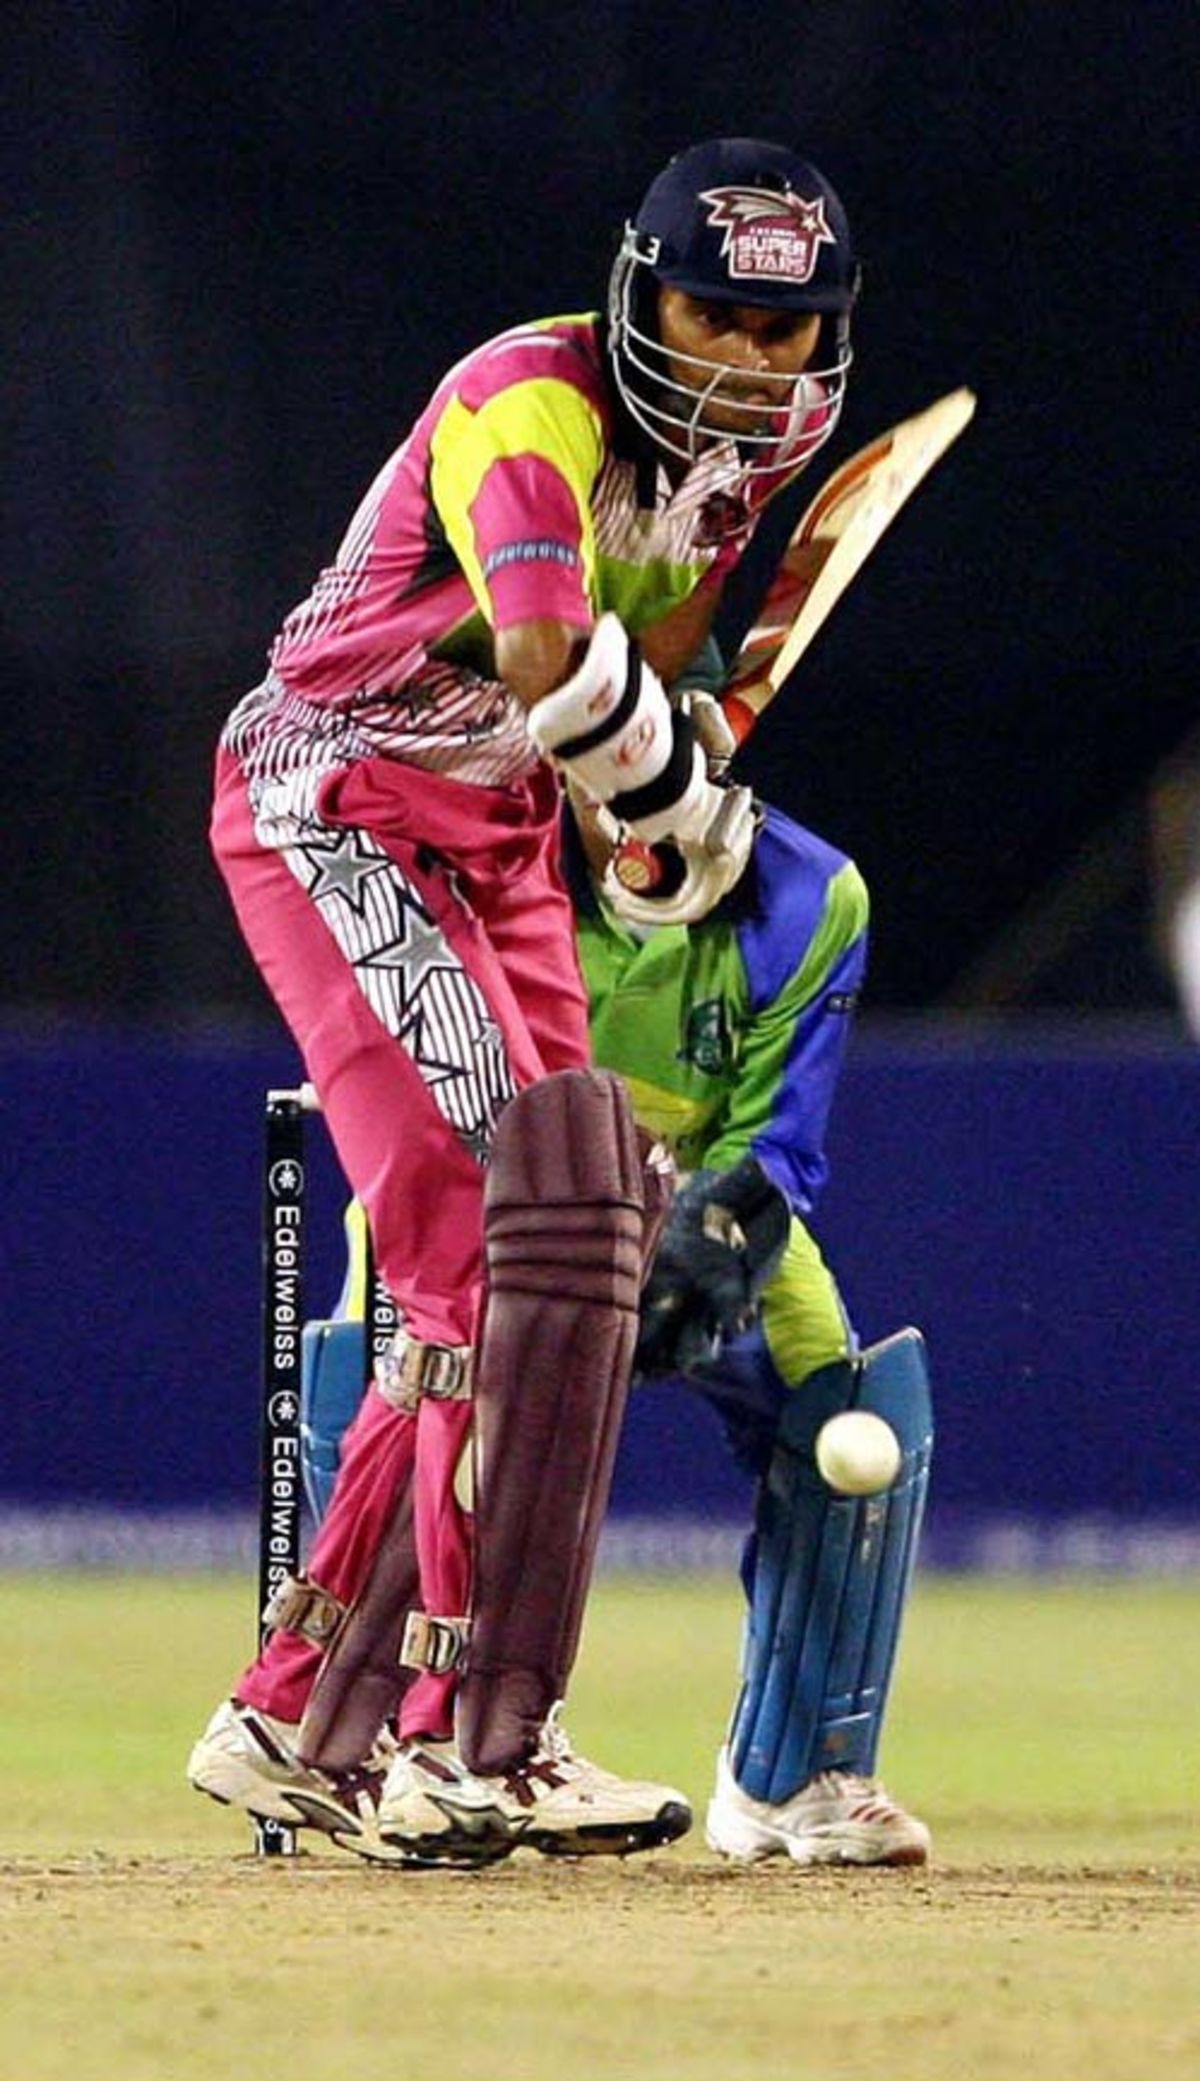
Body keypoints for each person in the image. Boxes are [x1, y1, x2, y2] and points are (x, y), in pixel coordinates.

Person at [189, 134, 864, 1866]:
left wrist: (664, 800)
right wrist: (668, 792)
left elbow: (642, 700)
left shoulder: (739, 476)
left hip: (496, 831)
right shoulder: (526, 401)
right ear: (640, 293)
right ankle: (459, 1744)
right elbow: (553, 650)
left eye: (786, 334)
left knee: (594, 1233)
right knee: (501, 1261)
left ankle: (295, 1716)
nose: (746, 364)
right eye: (714, 316)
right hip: (340, 798)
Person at [297, 779, 935, 1868]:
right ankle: (396, 1745)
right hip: (483, 1173)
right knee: (389, 1375)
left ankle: (798, 1772)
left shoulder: (813, 889)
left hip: (685, 1181)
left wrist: (719, 1238)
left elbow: (779, 1136)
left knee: (852, 1396)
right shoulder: (483, 846)